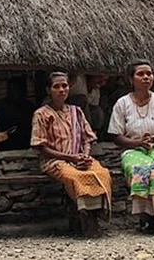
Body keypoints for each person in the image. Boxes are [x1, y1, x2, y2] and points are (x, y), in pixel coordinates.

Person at [31, 71, 112, 237]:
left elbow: (87, 139)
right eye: (56, 86)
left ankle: (95, 214)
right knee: (75, 176)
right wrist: (71, 158)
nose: (62, 90)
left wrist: (85, 155)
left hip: (79, 158)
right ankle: (88, 220)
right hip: (54, 161)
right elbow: (42, 147)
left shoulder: (77, 112)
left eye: (65, 86)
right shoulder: (41, 114)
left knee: (102, 173)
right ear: (48, 90)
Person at [108, 60, 154, 233]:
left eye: (149, 73)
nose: (146, 77)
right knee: (142, 168)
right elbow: (115, 135)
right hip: (132, 150)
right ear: (131, 79)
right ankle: (146, 217)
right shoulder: (122, 104)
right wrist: (137, 143)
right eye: (140, 74)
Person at [0, 76, 36, 150]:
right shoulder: (3, 107)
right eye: (13, 90)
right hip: (6, 146)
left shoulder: (29, 107)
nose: (15, 93)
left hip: (26, 145)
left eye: (18, 89)